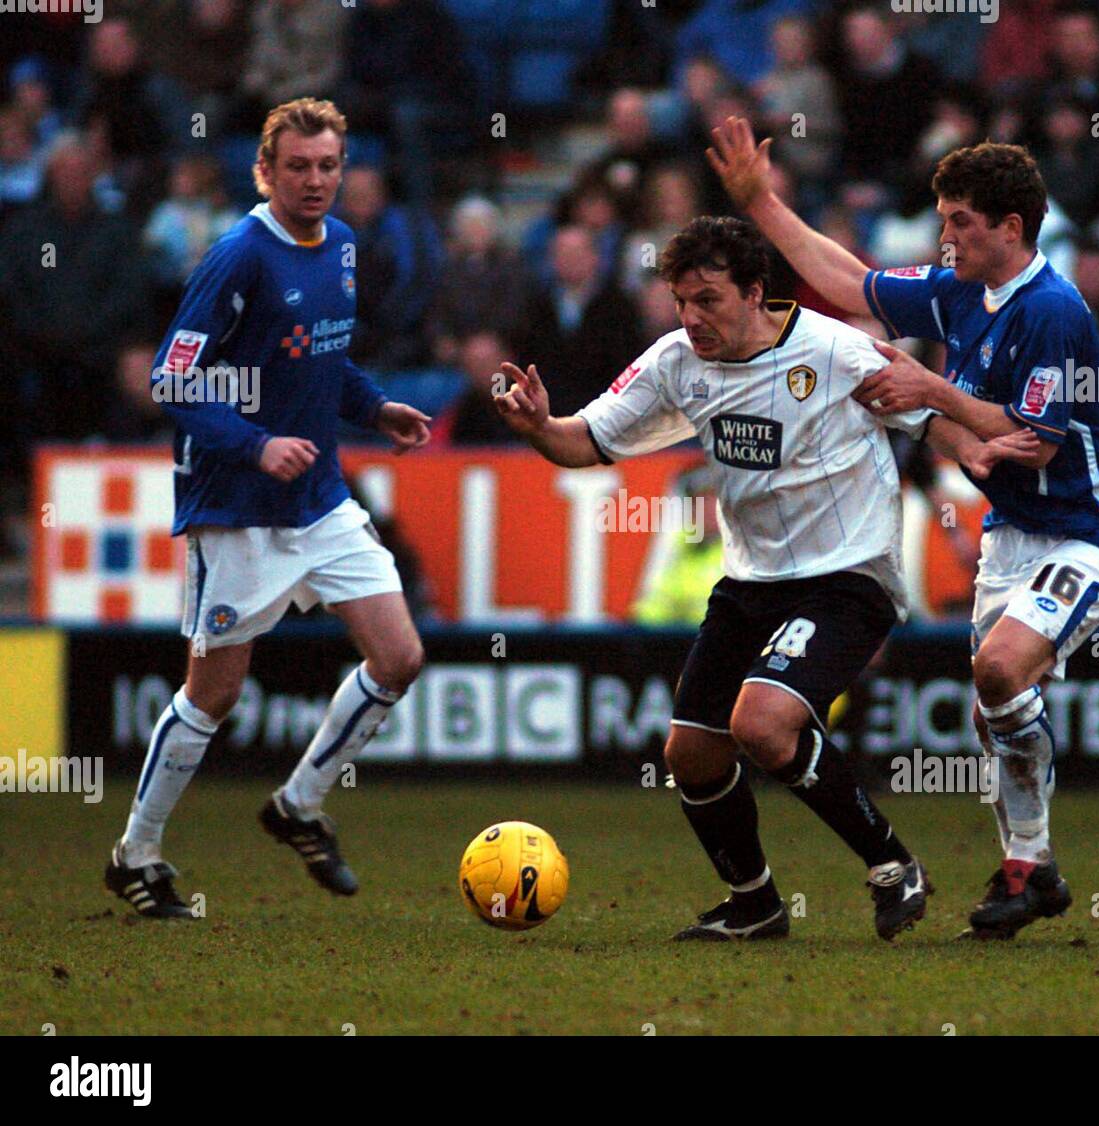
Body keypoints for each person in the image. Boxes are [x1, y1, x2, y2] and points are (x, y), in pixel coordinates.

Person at [493, 215, 1039, 942]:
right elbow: (584, 441)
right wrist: (536, 424)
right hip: (751, 581)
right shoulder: (674, 363)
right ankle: (754, 903)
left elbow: (927, 415)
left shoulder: (837, 350)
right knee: (690, 754)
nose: (692, 318)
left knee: (762, 724)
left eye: (709, 300)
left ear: (757, 293)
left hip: (849, 577)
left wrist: (986, 454)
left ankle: (892, 865)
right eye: (682, 301)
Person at [707, 117, 1099, 940]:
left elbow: (1038, 436)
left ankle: (1025, 866)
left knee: (997, 671)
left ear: (1010, 228)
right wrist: (759, 202)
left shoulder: (1053, 311)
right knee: (995, 707)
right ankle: (1036, 868)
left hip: (1093, 534)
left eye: (959, 221)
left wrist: (930, 390)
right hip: (1014, 536)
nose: (944, 235)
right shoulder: (958, 289)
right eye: (943, 218)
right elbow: (852, 282)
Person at [104, 98, 432, 919]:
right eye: (298, 167)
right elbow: (170, 381)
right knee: (215, 695)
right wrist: (254, 445)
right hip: (237, 504)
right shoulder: (238, 258)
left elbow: (323, 361)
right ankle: (135, 853)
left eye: (328, 166)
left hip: (317, 496)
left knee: (398, 656)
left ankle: (299, 804)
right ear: (265, 170)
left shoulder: (345, 247)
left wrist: (376, 406)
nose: (316, 180)